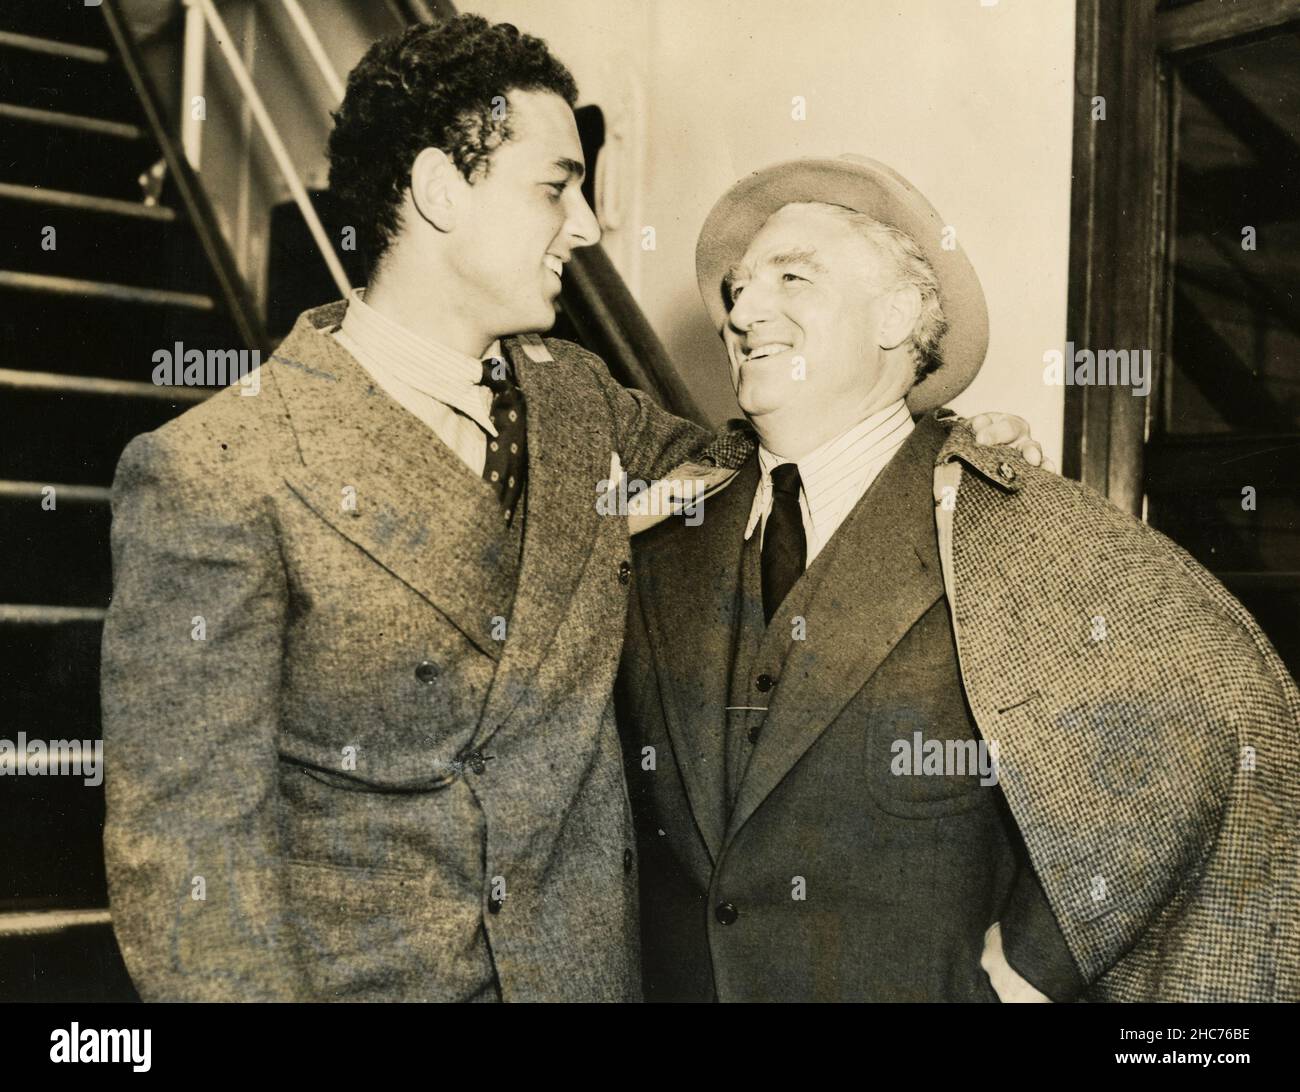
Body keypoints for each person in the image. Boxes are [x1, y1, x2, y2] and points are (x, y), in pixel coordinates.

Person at [100, 20, 1039, 1002]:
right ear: (437, 190)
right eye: (555, 188)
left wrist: (947, 435)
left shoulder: (578, 397)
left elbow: (767, 455)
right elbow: (187, 871)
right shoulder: (210, 469)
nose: (586, 227)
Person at [617, 154, 1300, 1002]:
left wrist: (1028, 970)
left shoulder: (1008, 525)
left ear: (897, 316)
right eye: (738, 289)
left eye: (792, 277)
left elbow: (1216, 708)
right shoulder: (658, 529)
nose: (745, 309)